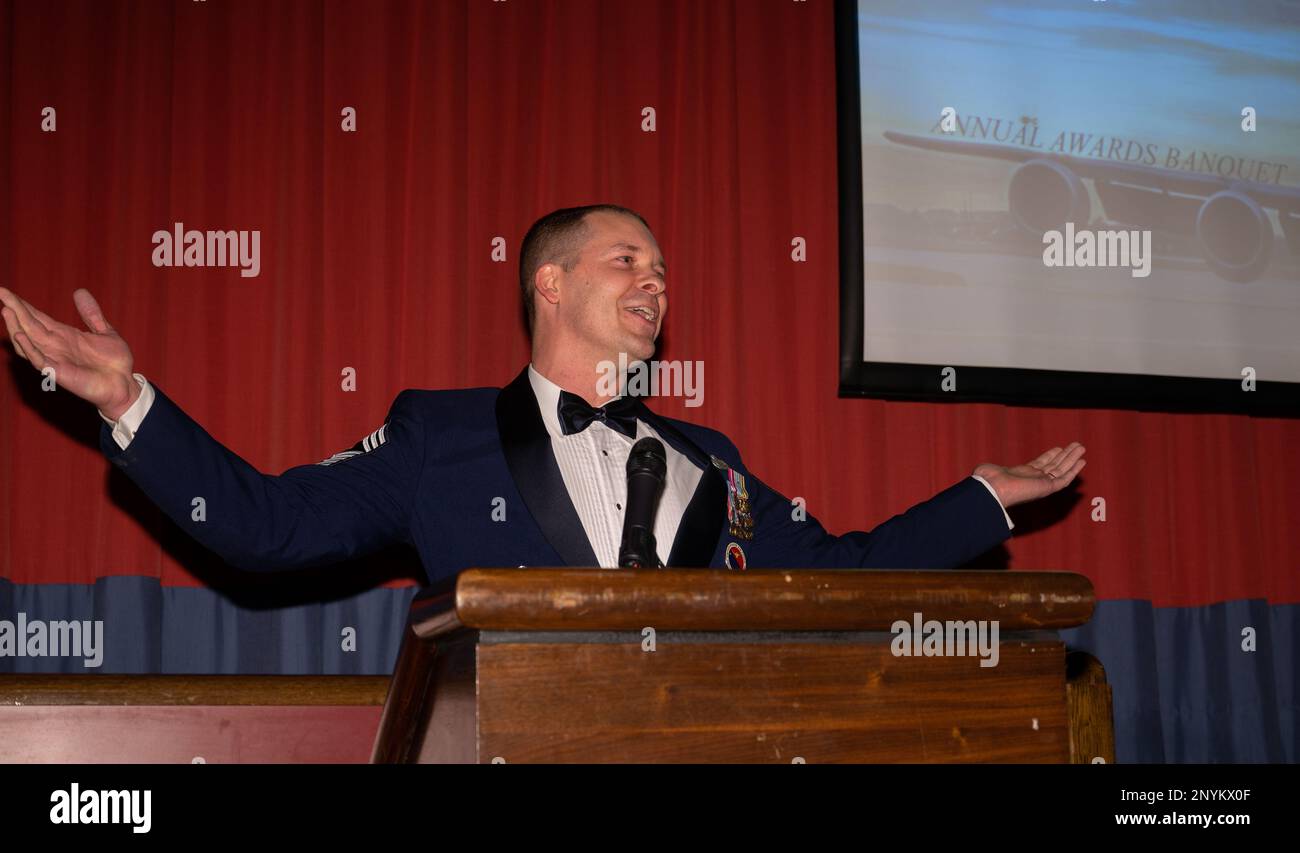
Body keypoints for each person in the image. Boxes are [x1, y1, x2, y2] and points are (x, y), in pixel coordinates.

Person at [0, 204, 1085, 580]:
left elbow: (840, 573)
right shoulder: (438, 433)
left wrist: (983, 497)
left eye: (664, 272)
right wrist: (128, 403)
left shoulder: (712, 460)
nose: (655, 283)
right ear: (550, 284)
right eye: (628, 261)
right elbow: (266, 527)